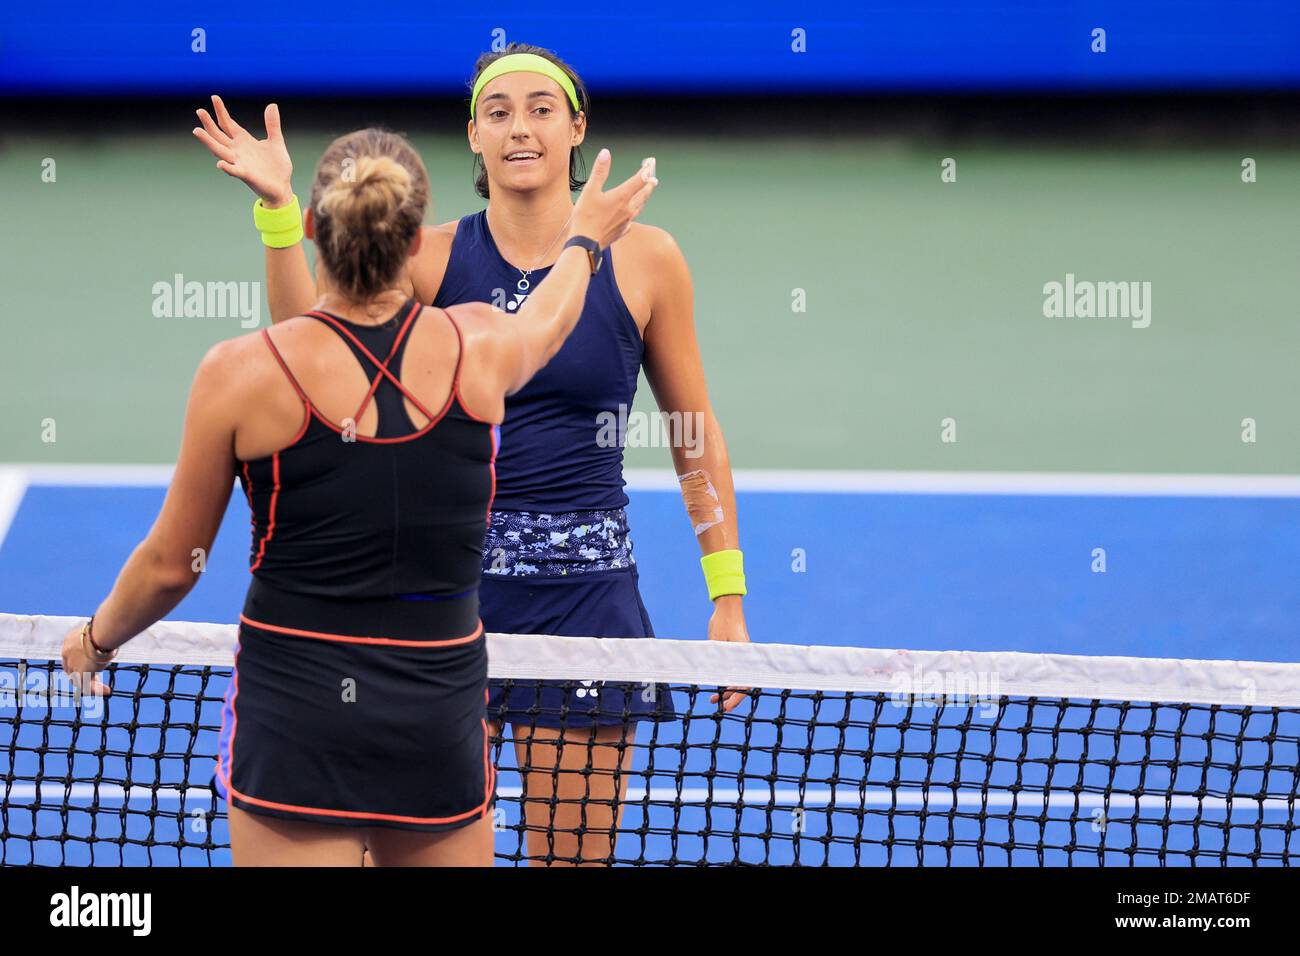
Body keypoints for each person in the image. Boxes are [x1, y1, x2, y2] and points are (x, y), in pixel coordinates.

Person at [194, 43, 748, 866]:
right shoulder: (433, 258)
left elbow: (691, 432)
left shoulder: (649, 260)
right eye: (498, 113)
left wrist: (727, 596)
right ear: (475, 139)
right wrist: (280, 212)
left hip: (588, 610)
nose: (519, 127)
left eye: (539, 109)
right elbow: (309, 345)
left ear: (575, 129)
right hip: (443, 603)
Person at [60, 128, 657, 866]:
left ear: (314, 229)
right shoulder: (478, 347)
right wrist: (584, 240)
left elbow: (170, 566)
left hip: (295, 720)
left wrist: (95, 642)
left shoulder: (240, 373)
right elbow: (546, 322)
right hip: (434, 720)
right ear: (414, 246)